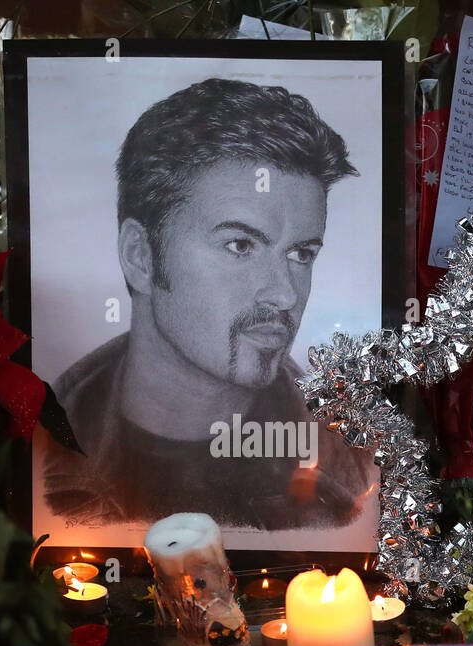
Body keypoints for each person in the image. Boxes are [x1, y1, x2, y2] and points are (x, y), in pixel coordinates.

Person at [43, 77, 378, 530]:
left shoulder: (350, 485)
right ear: (140, 256)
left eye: (301, 254)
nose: (284, 294)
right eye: (240, 245)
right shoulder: (39, 454)